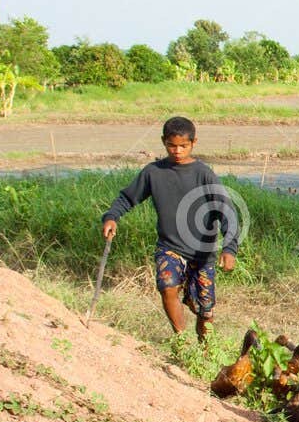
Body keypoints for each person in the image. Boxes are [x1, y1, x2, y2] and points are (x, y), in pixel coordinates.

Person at [101, 116, 237, 341]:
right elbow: (127, 198)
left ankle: (205, 350)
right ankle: (181, 341)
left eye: (183, 146)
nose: (177, 150)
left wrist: (229, 248)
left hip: (202, 253)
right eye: (172, 145)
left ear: (194, 143)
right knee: (167, 286)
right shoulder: (153, 172)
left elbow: (226, 212)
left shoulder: (204, 174)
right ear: (164, 142)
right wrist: (112, 216)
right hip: (169, 246)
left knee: (205, 310)